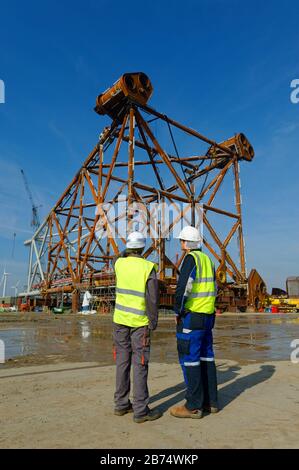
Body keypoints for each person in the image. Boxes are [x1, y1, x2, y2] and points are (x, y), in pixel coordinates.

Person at [113, 231, 162, 423]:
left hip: (120, 321)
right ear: (142, 247)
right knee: (140, 364)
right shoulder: (148, 267)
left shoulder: (118, 264)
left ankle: (121, 404)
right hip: (140, 323)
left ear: (128, 246)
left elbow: (118, 256)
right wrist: (154, 320)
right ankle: (141, 410)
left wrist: (126, 251)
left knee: (122, 362)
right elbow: (152, 298)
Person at [170, 225, 218, 419]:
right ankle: (211, 402)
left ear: (186, 243)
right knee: (207, 358)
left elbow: (183, 288)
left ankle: (193, 406)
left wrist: (177, 310)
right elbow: (214, 287)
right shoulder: (208, 260)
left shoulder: (191, 259)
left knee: (189, 358)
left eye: (181, 240)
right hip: (208, 316)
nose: (180, 243)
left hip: (193, 316)